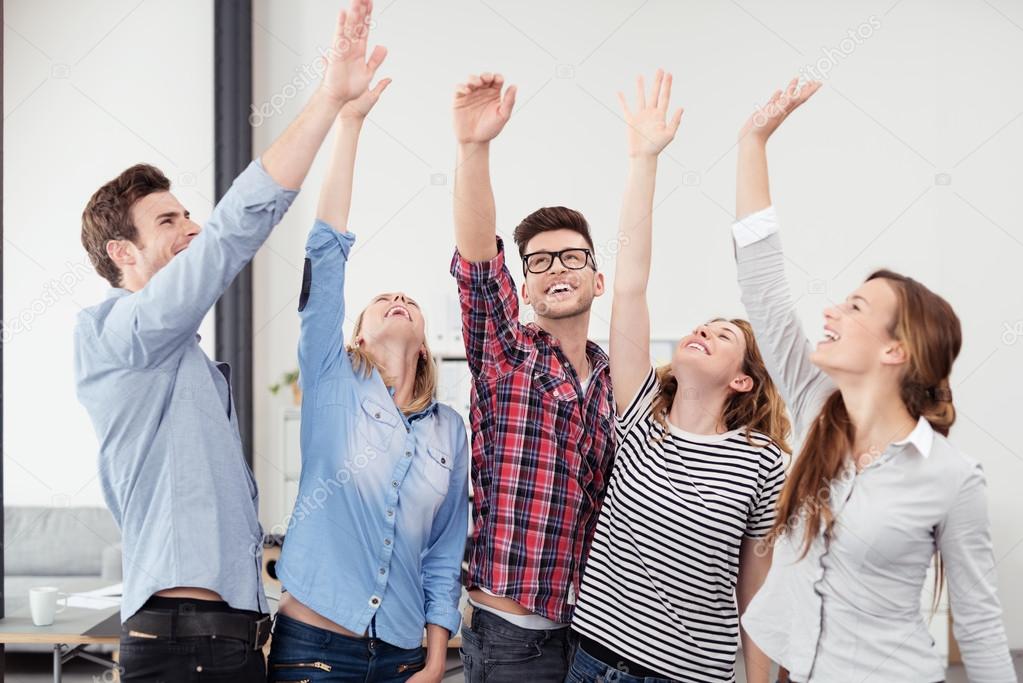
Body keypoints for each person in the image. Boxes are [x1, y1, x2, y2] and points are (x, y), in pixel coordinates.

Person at [73, 1, 381, 678]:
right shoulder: (117, 336)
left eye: (188, 214)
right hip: (186, 640)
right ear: (124, 253)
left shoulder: (184, 361)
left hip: (225, 636)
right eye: (168, 220)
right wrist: (328, 99)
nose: (190, 228)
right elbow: (234, 228)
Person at [732, 78, 1018, 682]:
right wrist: (752, 141)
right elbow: (764, 285)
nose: (832, 312)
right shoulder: (815, 410)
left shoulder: (950, 477)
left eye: (856, 307)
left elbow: (981, 625)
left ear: (896, 349)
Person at [567, 70, 788, 683]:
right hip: (592, 664)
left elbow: (757, 588)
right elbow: (631, 284)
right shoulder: (638, 418)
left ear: (742, 380)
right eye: (704, 324)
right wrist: (642, 159)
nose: (704, 331)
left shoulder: (765, 463)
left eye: (724, 337)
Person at [267, 30, 468, 683]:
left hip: (407, 654)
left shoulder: (448, 430)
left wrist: (437, 657)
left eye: (408, 299)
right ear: (353, 336)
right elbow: (325, 257)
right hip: (315, 648)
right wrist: (348, 122)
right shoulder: (330, 382)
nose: (399, 299)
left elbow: (443, 551)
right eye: (382, 300)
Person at [449, 72, 617, 681]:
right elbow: (474, 260)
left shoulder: (614, 378)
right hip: (511, 637)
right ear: (526, 288)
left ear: (598, 279)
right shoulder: (505, 353)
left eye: (572, 256)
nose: (555, 268)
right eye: (539, 262)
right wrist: (475, 148)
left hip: (594, 640)